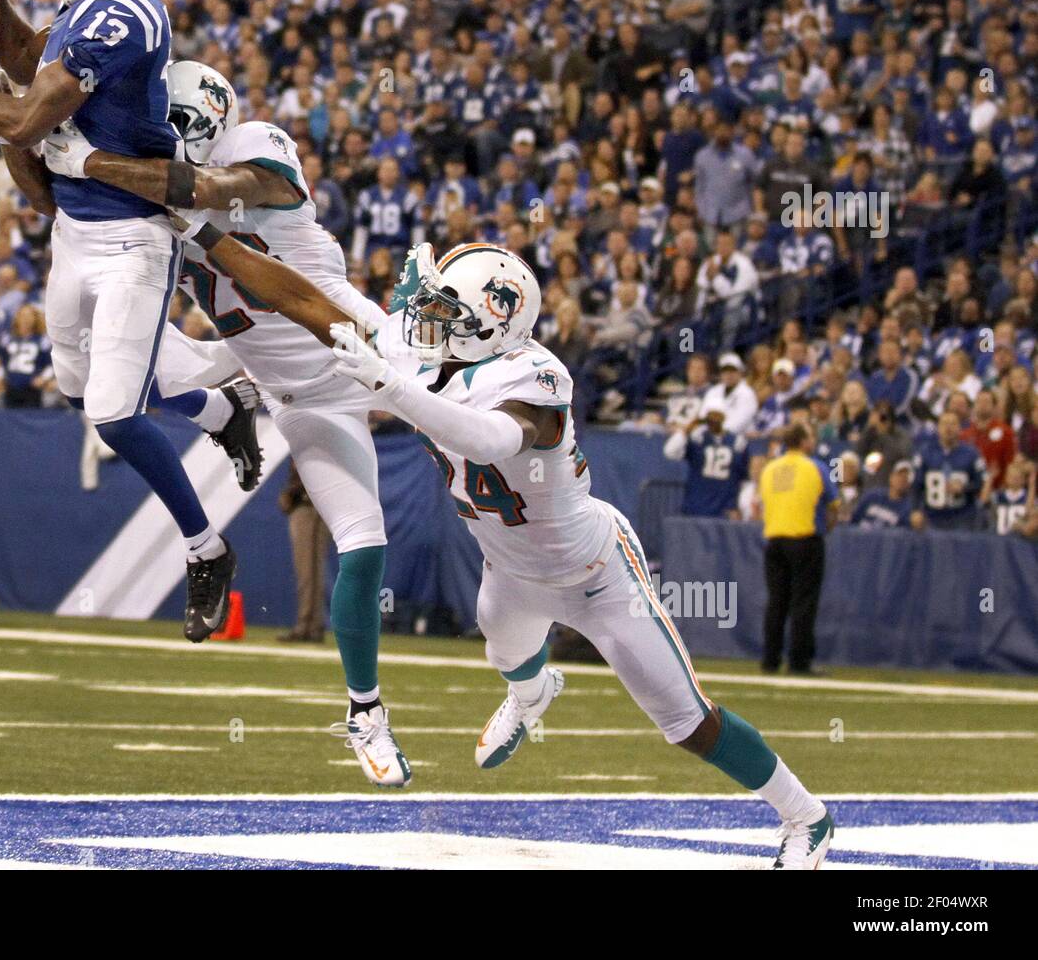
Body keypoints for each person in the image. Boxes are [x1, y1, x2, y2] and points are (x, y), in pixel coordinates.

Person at [154, 228, 835, 868]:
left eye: (448, 309)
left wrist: (391, 386)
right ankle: (535, 690)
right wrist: (208, 238)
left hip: (596, 575)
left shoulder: (536, 376)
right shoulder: (425, 349)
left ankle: (806, 816)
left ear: (496, 321)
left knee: (687, 724)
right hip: (508, 570)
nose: (429, 320)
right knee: (506, 656)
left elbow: (490, 440)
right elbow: (302, 296)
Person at [42, 63, 410, 788]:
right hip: (293, 393)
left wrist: (88, 159)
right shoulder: (141, 201)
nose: (157, 140)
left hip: (357, 338)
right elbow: (54, 136)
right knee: (362, 543)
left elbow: (215, 191)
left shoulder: (254, 148)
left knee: (477, 426)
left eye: (171, 128)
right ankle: (366, 714)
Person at [0, 0, 255, 643]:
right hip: (75, 229)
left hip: (132, 240)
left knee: (114, 412)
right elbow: (39, 65)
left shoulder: (126, 13)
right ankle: (226, 410)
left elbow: (31, 114)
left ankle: (207, 548)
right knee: (82, 384)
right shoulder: (95, 7)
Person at [758, 423, 839, 677]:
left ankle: (770, 659)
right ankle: (799, 660)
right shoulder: (815, 467)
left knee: (777, 602)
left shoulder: (770, 468)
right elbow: (833, 504)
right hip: (805, 538)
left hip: (775, 539)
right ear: (804, 441)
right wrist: (827, 527)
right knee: (803, 603)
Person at [278, 464, 329, 643]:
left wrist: (296, 491)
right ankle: (308, 624)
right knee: (306, 570)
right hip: (303, 502)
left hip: (312, 503)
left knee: (310, 570)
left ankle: (310, 626)